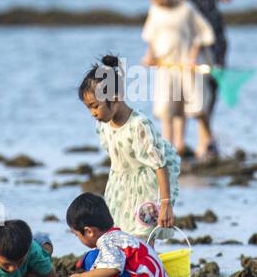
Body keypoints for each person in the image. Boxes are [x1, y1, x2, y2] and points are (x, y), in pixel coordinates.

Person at [77, 54, 180, 238]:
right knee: (119, 236)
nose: (92, 113)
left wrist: (166, 203)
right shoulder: (103, 124)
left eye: (95, 106)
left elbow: (159, 164)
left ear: (115, 99)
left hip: (144, 190)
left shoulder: (138, 125)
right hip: (119, 189)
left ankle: (148, 266)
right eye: (88, 108)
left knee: (144, 236)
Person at [168, 0, 232, 158]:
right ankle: (189, 141)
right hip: (188, 24)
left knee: (214, 78)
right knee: (188, 81)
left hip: (213, 21)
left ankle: (206, 135)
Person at [141, 0, 216, 155]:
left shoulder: (186, 9)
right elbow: (151, 36)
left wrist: (193, 55)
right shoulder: (155, 11)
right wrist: (150, 55)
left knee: (187, 106)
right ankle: (168, 145)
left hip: (185, 66)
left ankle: (181, 145)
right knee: (167, 107)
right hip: (165, 67)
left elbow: (203, 33)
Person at [64, 193, 169, 277]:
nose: (78, 238)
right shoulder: (120, 236)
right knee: (99, 260)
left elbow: (113, 268)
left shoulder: (107, 241)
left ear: (89, 232)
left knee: (90, 260)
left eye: (77, 235)